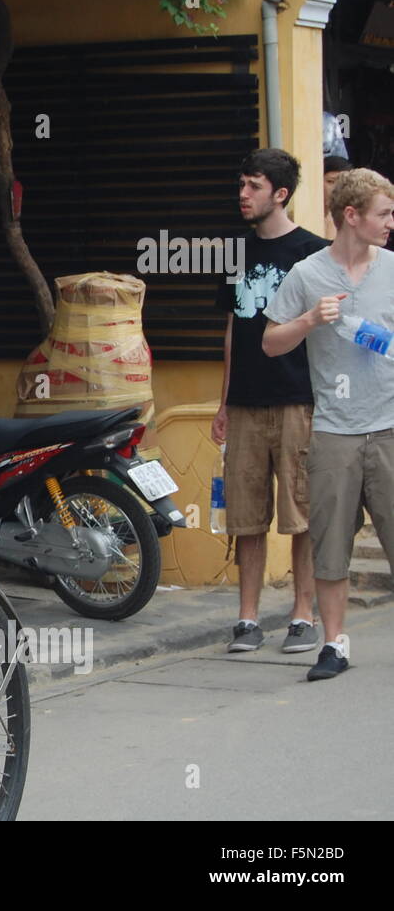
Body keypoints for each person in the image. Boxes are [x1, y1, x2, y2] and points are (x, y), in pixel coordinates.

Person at [263, 167, 394, 681]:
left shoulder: (392, 269)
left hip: (389, 426)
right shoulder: (307, 275)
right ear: (352, 216)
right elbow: (272, 343)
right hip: (335, 432)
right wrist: (310, 321)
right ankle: (334, 644)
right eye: (383, 213)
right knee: (331, 544)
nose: (390, 223)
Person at [212, 149, 328, 654]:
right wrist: (222, 400)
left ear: (280, 194)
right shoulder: (234, 253)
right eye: (241, 184)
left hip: (299, 399)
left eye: (254, 185)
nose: (243, 193)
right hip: (244, 403)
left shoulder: (315, 254)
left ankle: (304, 614)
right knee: (245, 515)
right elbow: (234, 327)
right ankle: (247, 618)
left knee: (301, 512)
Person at [322, 156, 353, 241]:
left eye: (342, 183)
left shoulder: (351, 219)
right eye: (331, 181)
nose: (336, 188)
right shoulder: (304, 214)